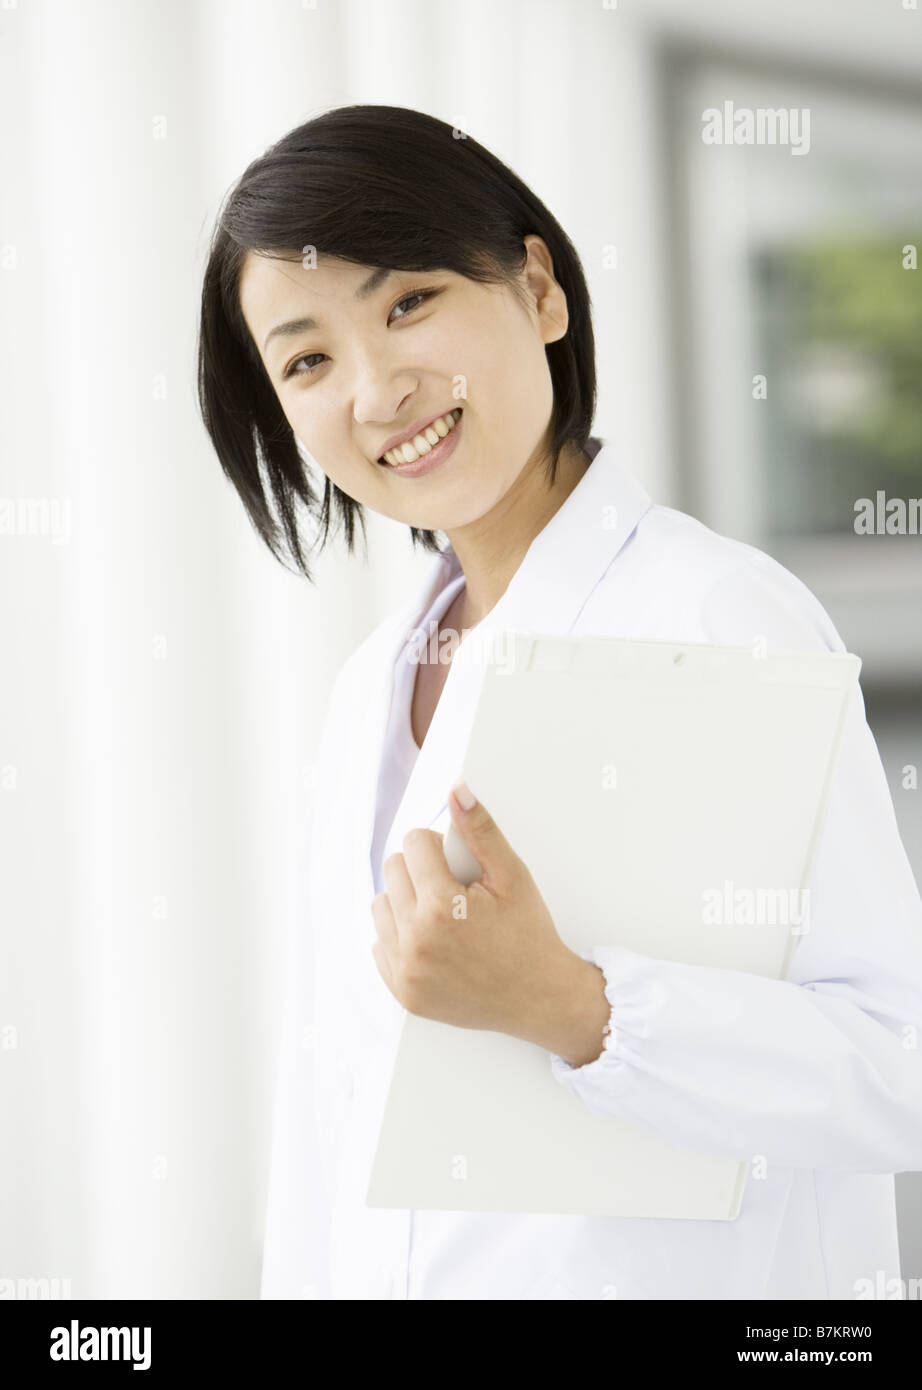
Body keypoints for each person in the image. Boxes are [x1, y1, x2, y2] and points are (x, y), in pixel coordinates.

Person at [197, 103, 922, 1300]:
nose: (378, 390)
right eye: (309, 359)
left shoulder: (718, 621)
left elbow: (897, 1068)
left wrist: (578, 1011)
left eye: (410, 301)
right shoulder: (370, 684)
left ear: (538, 289)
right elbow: (325, 1119)